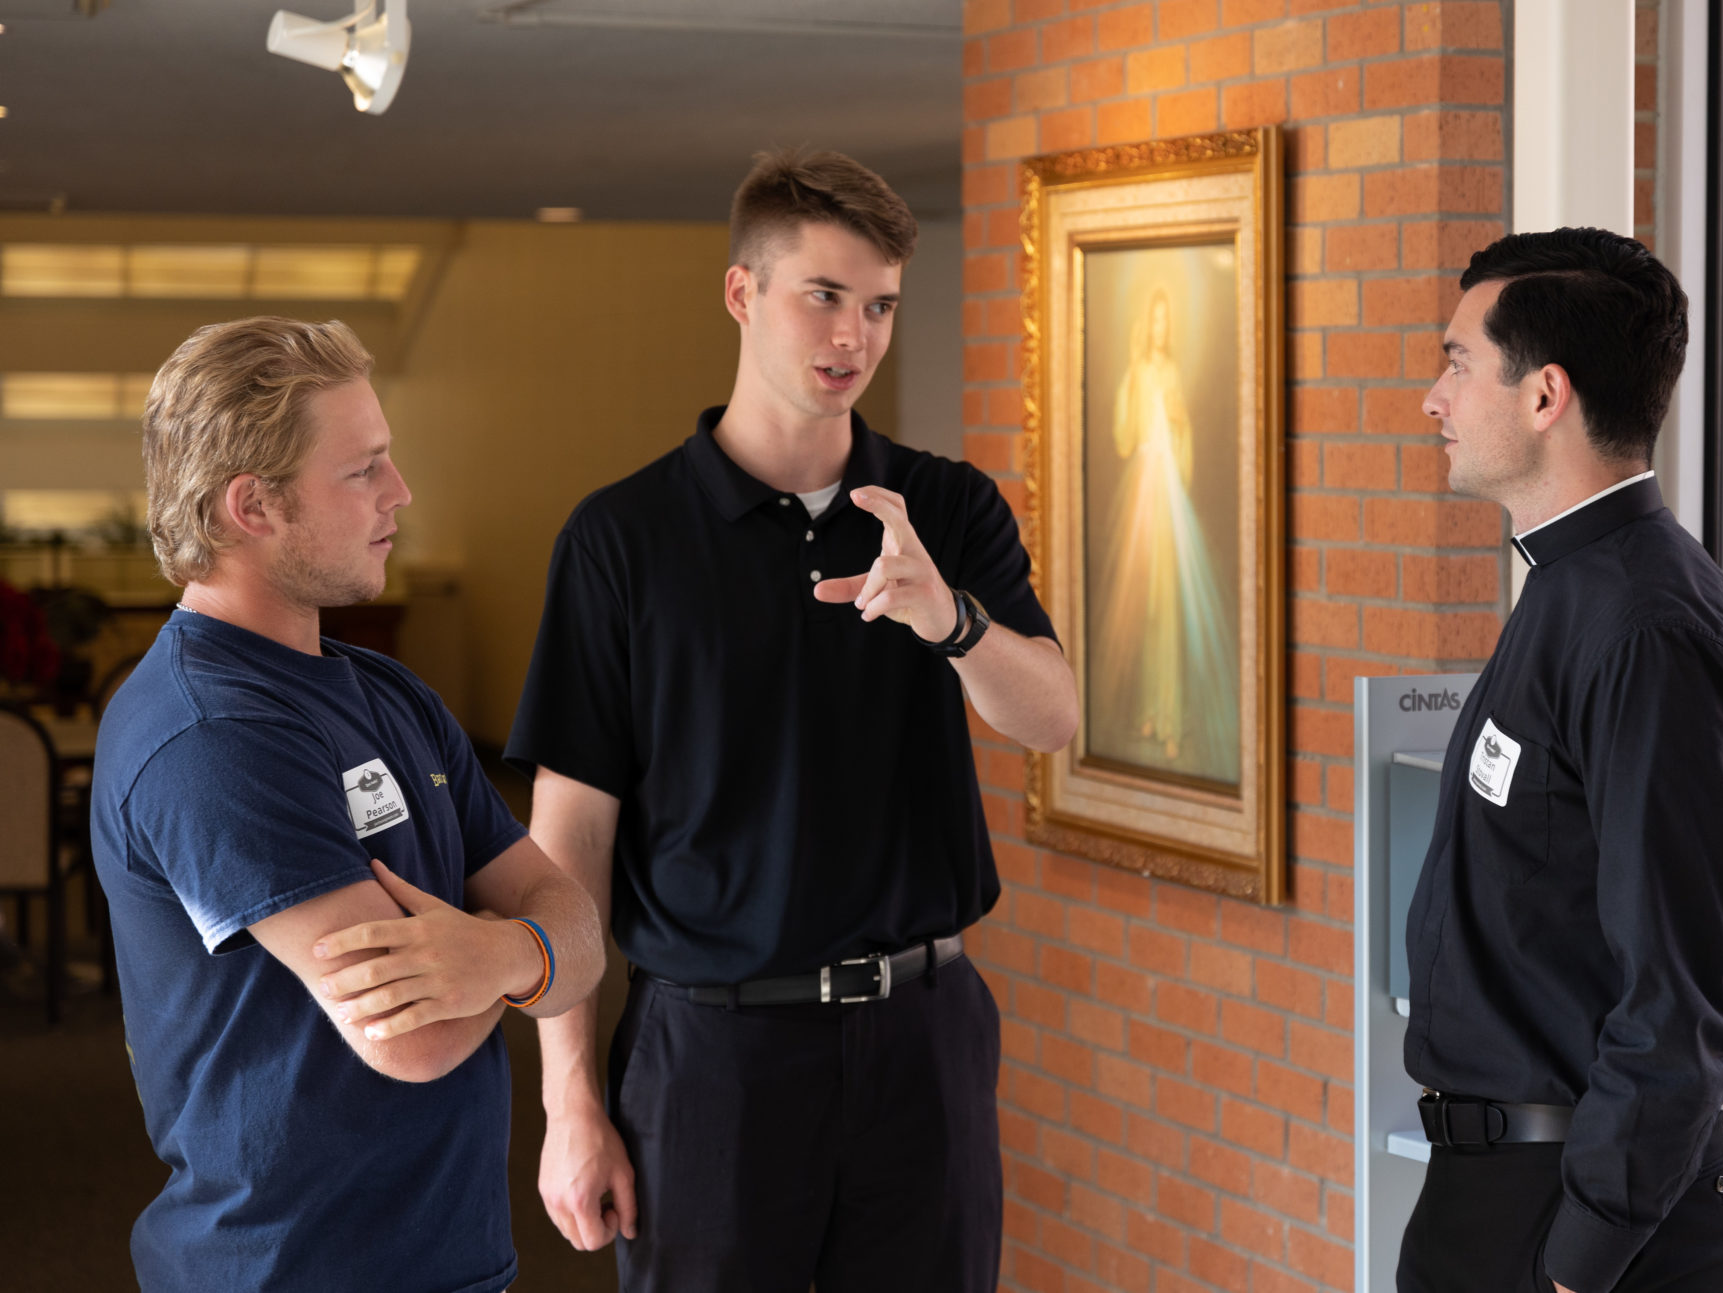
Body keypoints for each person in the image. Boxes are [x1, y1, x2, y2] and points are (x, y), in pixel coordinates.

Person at [507, 148, 1078, 1292]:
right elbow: (568, 847)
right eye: (823, 295)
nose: (853, 336)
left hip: (923, 1033)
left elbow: (1053, 716)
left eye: (877, 306)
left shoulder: (944, 509)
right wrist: (568, 1099)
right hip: (711, 1050)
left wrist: (949, 621)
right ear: (742, 293)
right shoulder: (620, 540)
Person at [91, 317, 604, 1293]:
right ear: (253, 506)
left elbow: (575, 921)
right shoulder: (211, 733)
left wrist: (495, 953)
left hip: (447, 1261)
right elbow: (415, 1039)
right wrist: (534, 950)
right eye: (363, 469)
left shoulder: (385, 690)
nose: (399, 494)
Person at [1399, 229, 1723, 1293]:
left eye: (1457, 362)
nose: (1434, 397)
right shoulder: (1571, 594)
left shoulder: (1644, 628)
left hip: (1575, 1213)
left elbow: (1679, 986)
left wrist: (1582, 1256)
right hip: (1502, 1192)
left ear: (1542, 396)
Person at [1096, 284, 1234, 780]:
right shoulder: (1141, 373)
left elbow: (1183, 439)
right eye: (1155, 320)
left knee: (1170, 606)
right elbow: (1124, 437)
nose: (1161, 329)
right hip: (1143, 495)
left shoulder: (1173, 371)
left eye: (1166, 321)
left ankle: (1171, 716)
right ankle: (1151, 713)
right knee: (1146, 606)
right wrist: (1133, 377)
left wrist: (1179, 426)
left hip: (1170, 492)